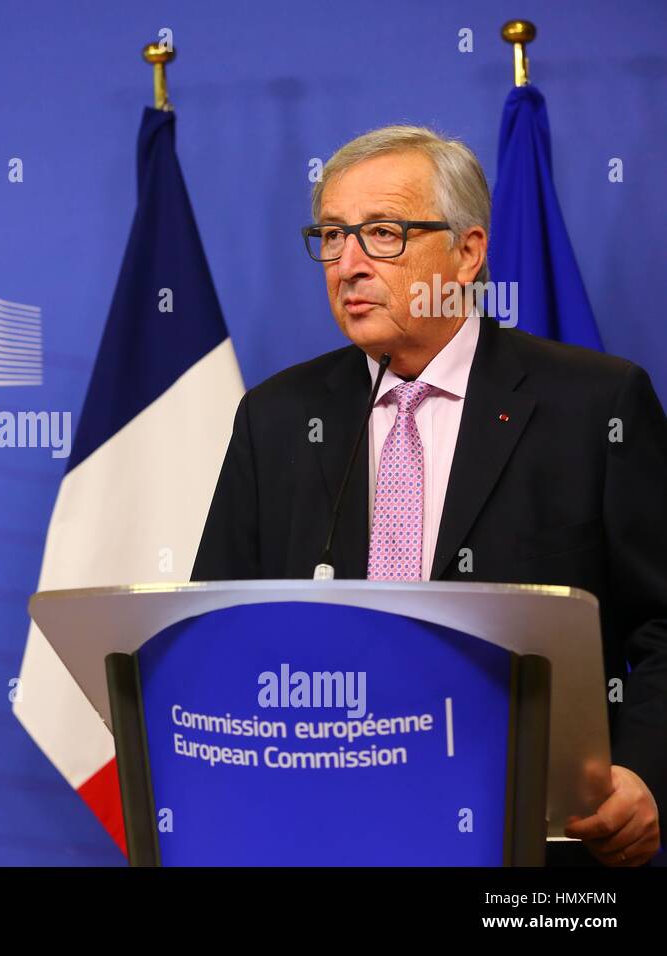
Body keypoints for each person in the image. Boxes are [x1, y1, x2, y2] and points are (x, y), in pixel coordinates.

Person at [193, 126, 666, 867]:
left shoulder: (593, 403)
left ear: (468, 252)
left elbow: (662, 623)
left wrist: (645, 774)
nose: (347, 266)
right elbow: (216, 626)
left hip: (531, 843)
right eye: (331, 236)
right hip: (321, 831)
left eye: (381, 234)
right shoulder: (277, 416)